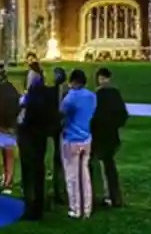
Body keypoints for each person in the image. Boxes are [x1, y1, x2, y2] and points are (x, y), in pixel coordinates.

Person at [17, 68, 56, 221]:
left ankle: (31, 207)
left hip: (30, 139)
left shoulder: (32, 98)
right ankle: (38, 205)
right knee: (38, 172)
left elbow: (24, 118)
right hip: (40, 139)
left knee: (30, 174)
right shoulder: (47, 95)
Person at [59, 69, 97, 219]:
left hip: (71, 139)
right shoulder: (92, 96)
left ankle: (75, 208)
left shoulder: (70, 98)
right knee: (85, 174)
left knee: (72, 176)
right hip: (86, 137)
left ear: (73, 82)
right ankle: (87, 208)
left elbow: (62, 114)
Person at [90, 66, 128, 208]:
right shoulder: (115, 94)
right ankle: (114, 197)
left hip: (100, 135)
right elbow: (123, 115)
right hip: (111, 135)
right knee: (109, 166)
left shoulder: (97, 95)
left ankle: (104, 196)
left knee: (101, 167)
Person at [0, 63, 20, 194]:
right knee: (8, 155)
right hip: (10, 127)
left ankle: (6, 180)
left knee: (4, 155)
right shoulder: (12, 89)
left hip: (1, 126)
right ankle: (8, 180)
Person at [49, 67, 68, 208]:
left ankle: (61, 191)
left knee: (61, 161)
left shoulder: (63, 91)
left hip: (62, 129)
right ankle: (59, 190)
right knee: (58, 160)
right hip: (57, 129)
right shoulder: (56, 90)